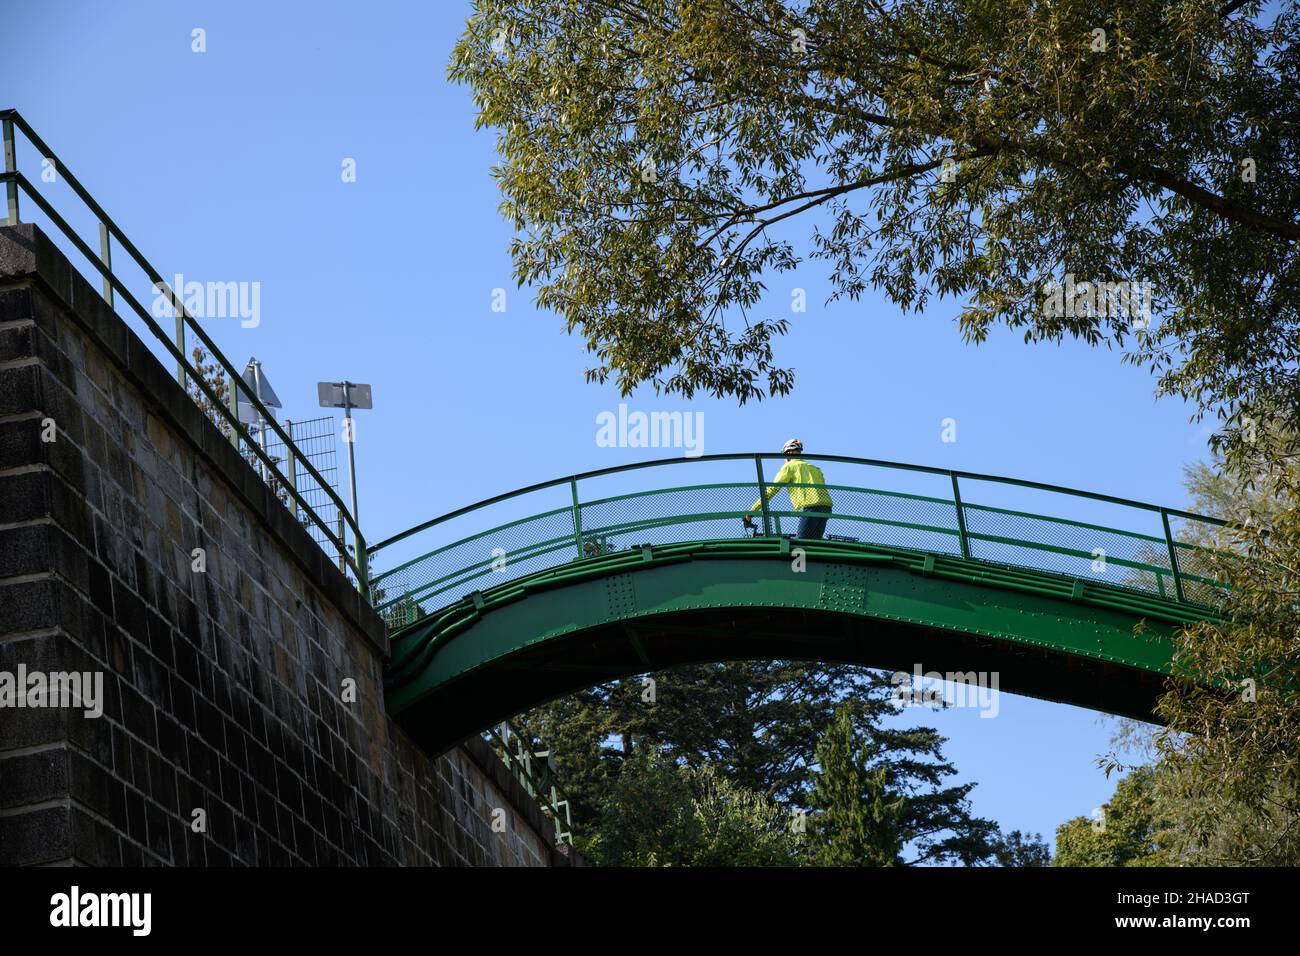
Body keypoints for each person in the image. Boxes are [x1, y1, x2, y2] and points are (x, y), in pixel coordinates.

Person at [743, 439, 833, 539]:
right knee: (815, 543)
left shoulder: (789, 466)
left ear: (789, 452)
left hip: (810, 506)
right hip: (826, 507)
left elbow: (771, 490)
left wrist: (752, 511)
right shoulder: (815, 468)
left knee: (801, 544)